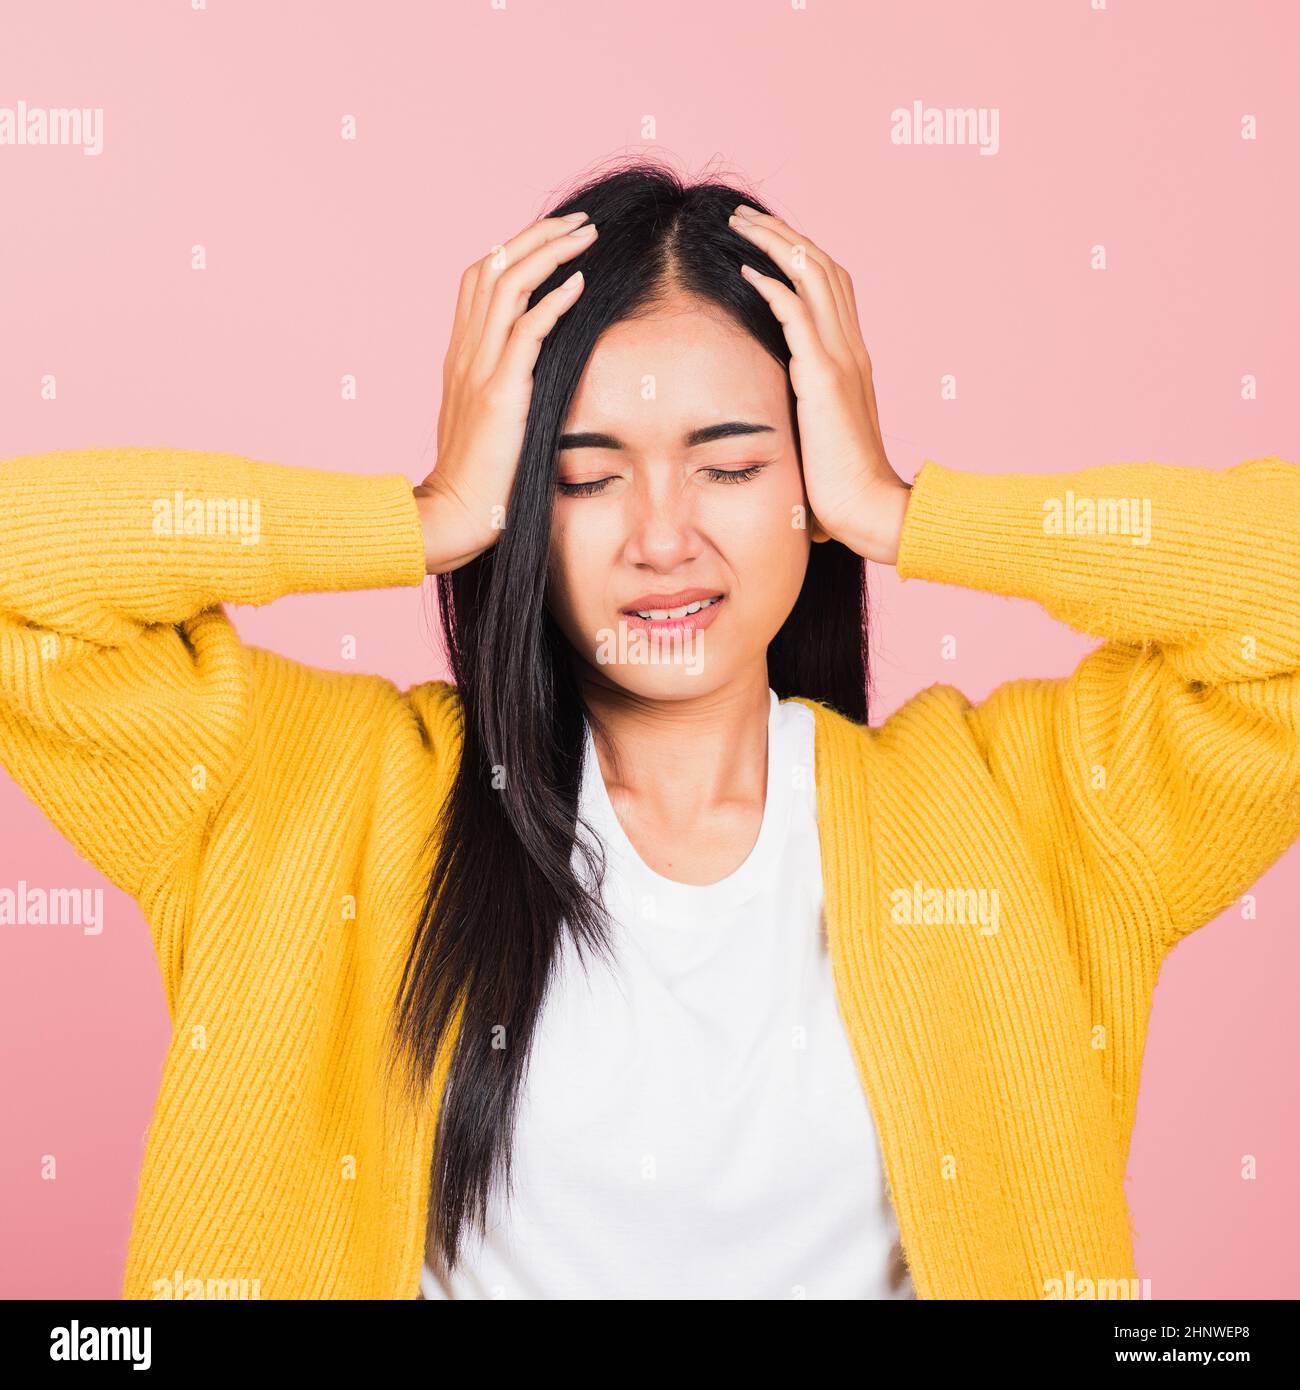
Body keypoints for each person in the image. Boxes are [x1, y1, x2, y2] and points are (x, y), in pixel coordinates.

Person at [1, 159, 1296, 1301]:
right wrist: (422, 510)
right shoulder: (301, 791)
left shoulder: (1030, 814)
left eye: (731, 464)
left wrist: (909, 512)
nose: (664, 535)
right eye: (586, 472)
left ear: (811, 479)